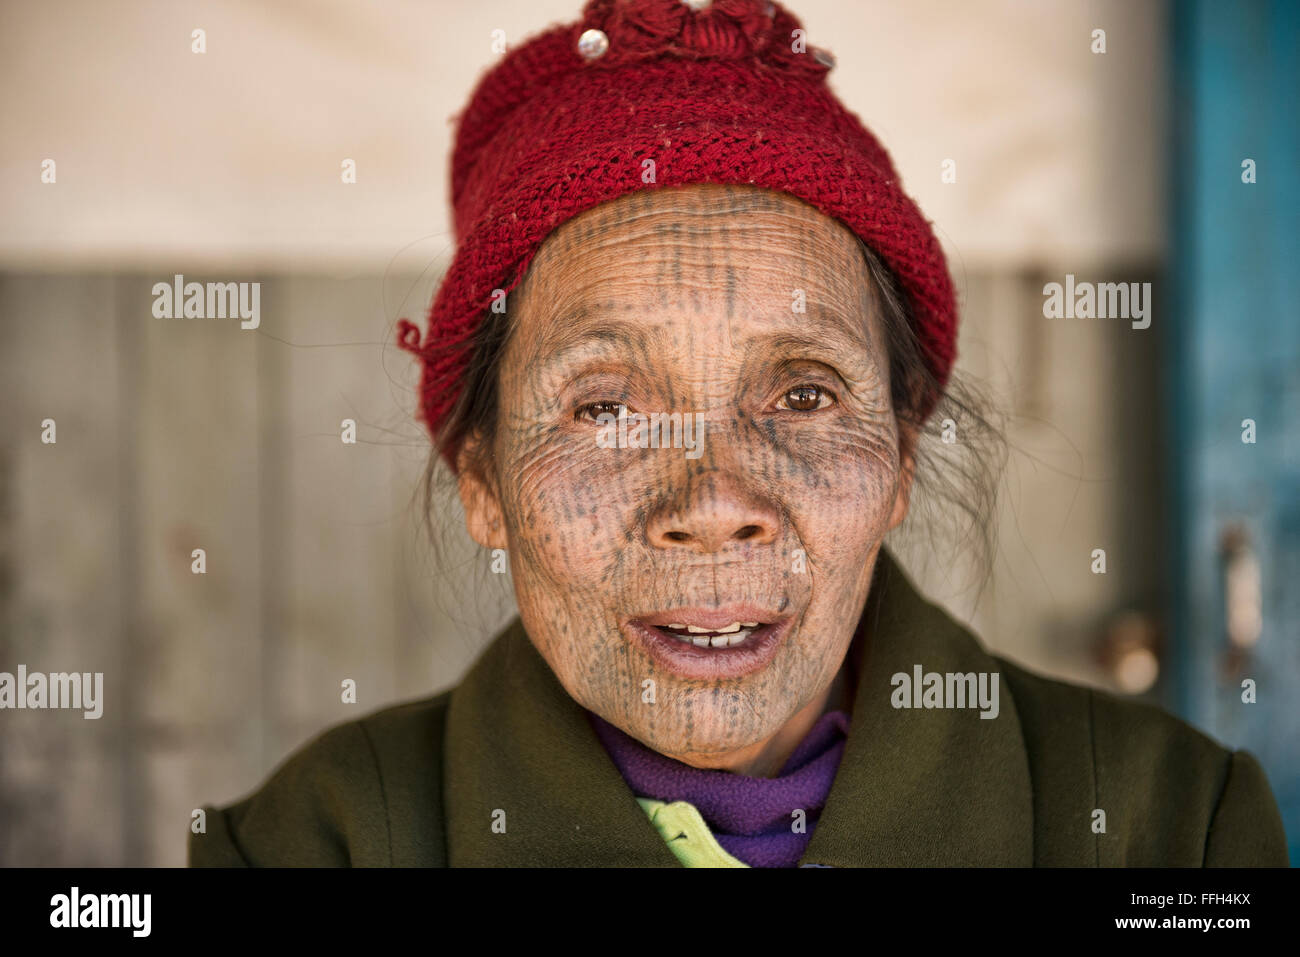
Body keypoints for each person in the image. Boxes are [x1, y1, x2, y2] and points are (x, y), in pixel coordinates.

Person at [188, 0, 1288, 867]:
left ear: (902, 454)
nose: (713, 504)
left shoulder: (1168, 828)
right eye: (606, 408)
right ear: (481, 476)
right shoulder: (312, 844)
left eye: (804, 396)